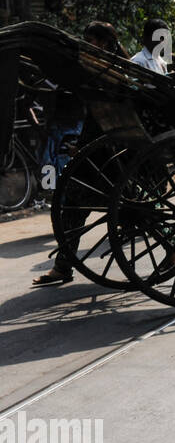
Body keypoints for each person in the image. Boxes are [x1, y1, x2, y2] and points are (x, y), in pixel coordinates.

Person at [33, 22, 128, 286]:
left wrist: (85, 145)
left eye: (91, 40)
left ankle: (63, 266)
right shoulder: (103, 69)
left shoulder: (108, 72)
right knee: (77, 205)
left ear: (104, 42)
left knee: (77, 203)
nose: (88, 44)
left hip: (108, 156)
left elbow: (105, 118)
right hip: (103, 152)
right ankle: (63, 266)